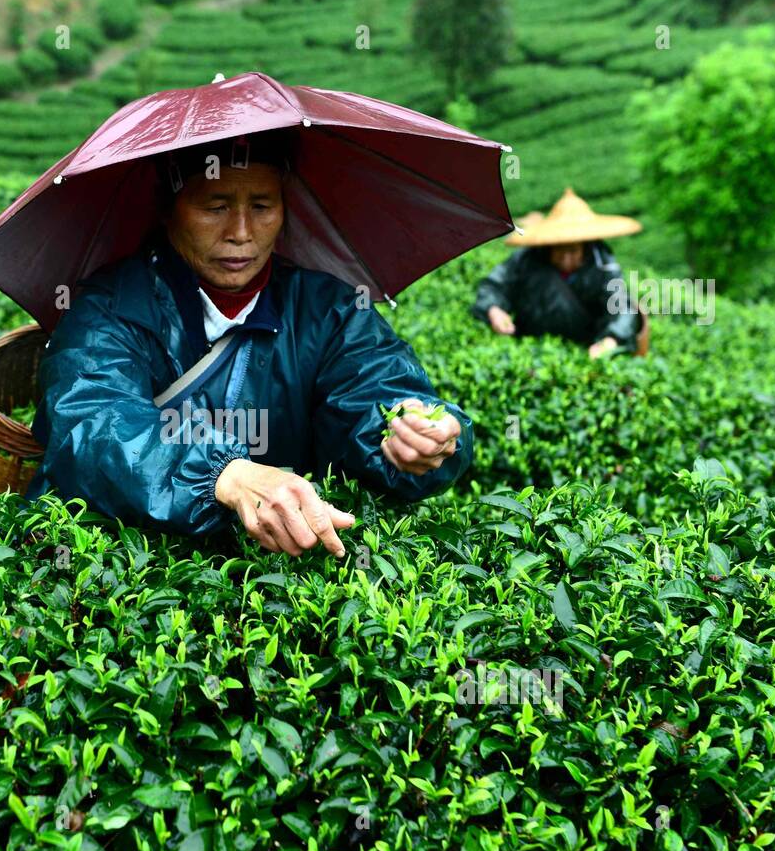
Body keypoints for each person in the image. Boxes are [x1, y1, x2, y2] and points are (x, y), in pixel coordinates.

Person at [26, 130, 474, 558]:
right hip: (122, 568)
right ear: (168, 208)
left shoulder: (329, 311)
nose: (241, 231)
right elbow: (93, 424)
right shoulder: (108, 310)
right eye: (215, 206)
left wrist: (409, 433)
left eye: (262, 205)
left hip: (279, 570)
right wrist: (224, 474)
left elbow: (375, 389)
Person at [471, 188, 646, 358]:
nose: (565, 258)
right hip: (529, 343)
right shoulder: (528, 258)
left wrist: (611, 339)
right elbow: (494, 285)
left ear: (585, 246)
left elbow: (621, 306)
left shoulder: (603, 265)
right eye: (560, 250)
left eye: (573, 251)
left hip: (584, 345)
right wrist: (494, 310)